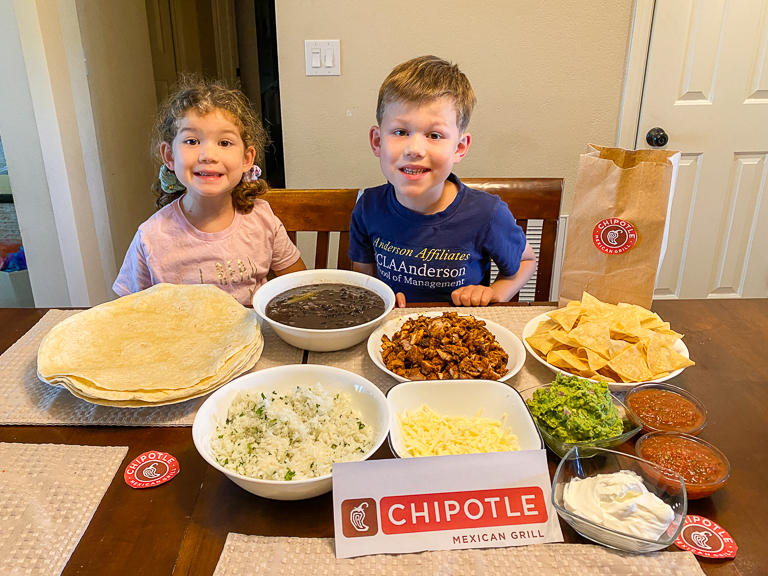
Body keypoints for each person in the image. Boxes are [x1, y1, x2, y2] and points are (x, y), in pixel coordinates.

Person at [348, 55, 536, 307]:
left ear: (459, 147)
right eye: (400, 132)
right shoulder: (367, 207)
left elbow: (525, 261)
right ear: (377, 141)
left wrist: (494, 294)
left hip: (463, 326)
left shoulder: (487, 214)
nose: (414, 149)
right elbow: (365, 278)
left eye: (434, 135)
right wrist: (378, 299)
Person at [113, 76, 305, 305]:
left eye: (224, 143)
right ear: (169, 156)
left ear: (246, 159)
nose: (208, 155)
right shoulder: (150, 237)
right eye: (192, 141)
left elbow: (300, 289)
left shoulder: (263, 220)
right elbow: (128, 311)